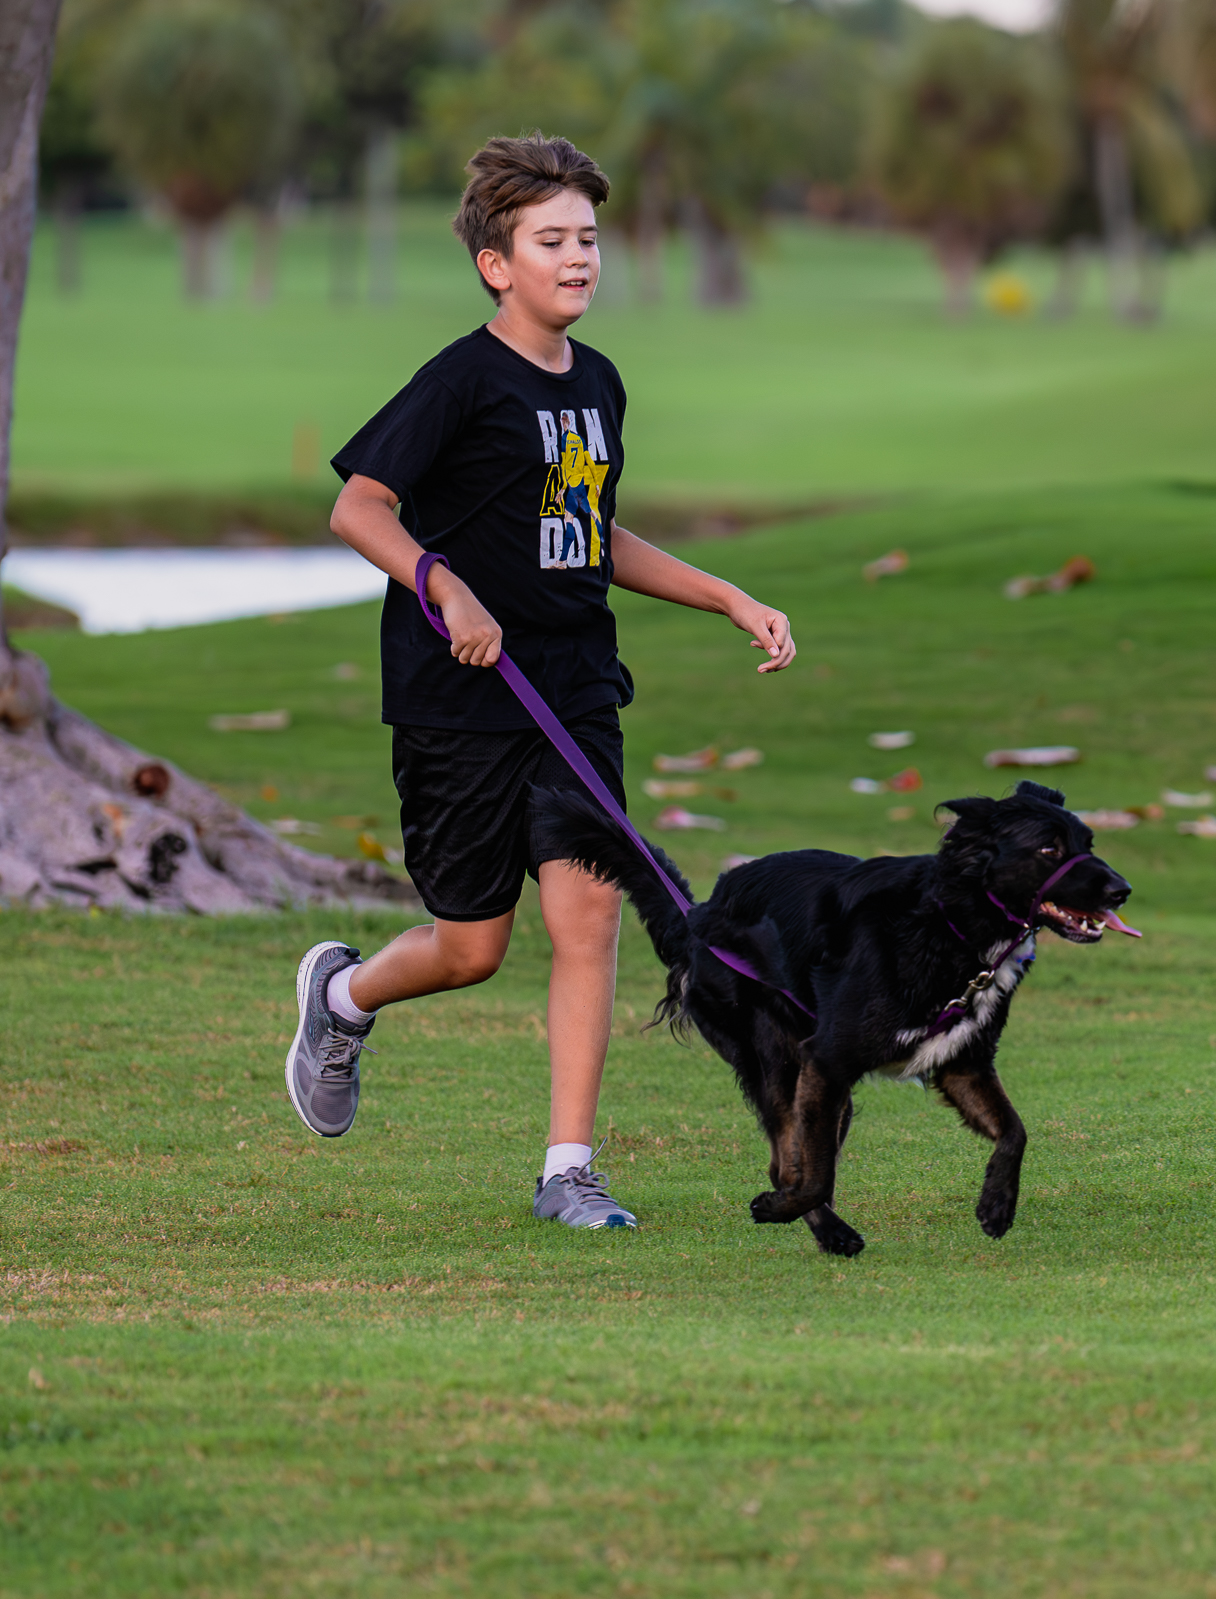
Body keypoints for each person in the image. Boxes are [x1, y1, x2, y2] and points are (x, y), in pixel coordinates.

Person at [283, 134, 795, 1228]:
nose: (578, 259)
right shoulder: (461, 381)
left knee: (589, 920)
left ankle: (568, 1168)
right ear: (495, 263)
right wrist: (444, 585)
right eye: (552, 240)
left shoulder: (600, 384)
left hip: (573, 688)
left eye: (589, 240)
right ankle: (341, 997)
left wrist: (726, 597)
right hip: (459, 698)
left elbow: (590, 535)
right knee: (473, 947)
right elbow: (358, 507)